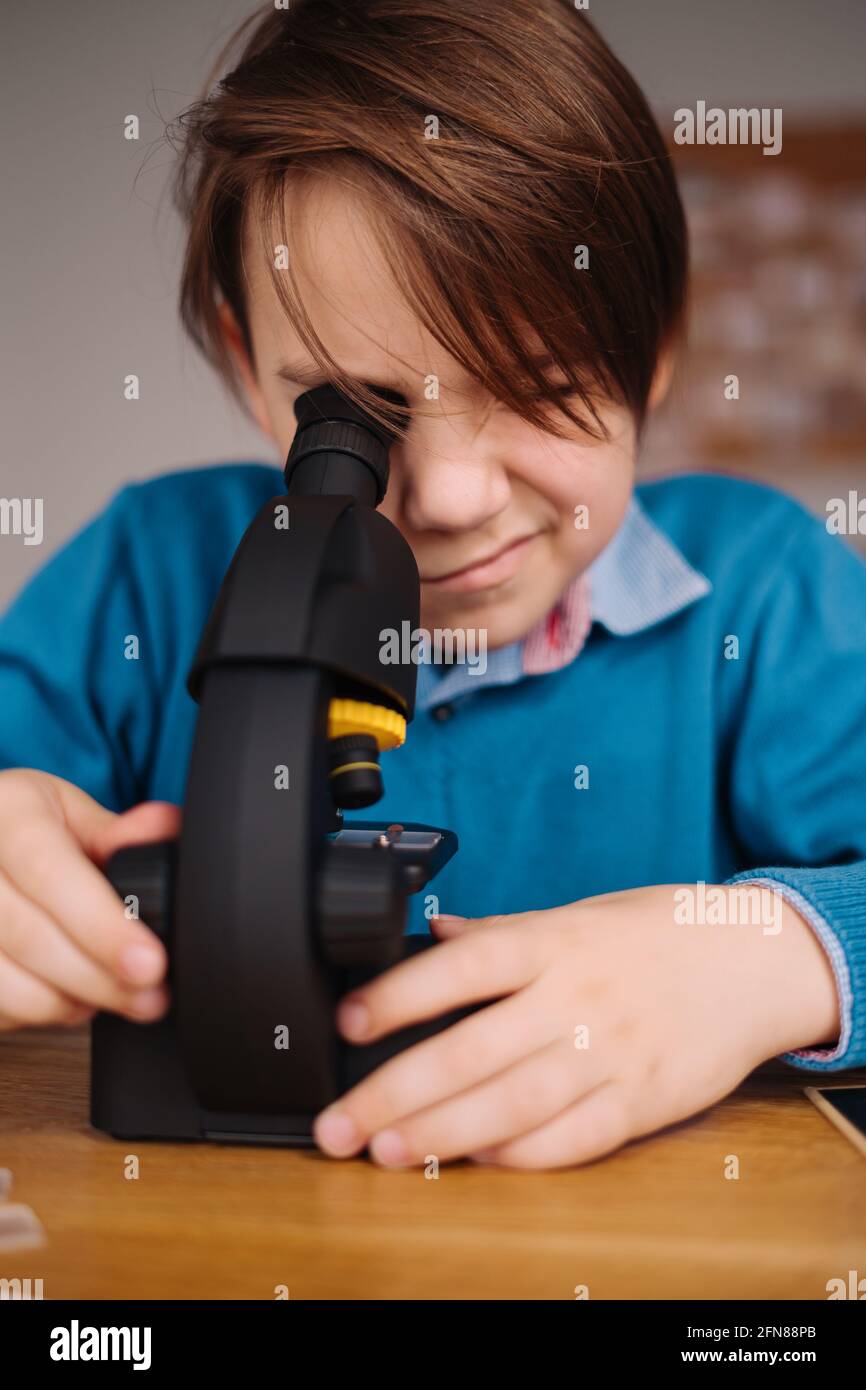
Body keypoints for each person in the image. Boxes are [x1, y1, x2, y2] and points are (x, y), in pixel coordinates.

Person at [1, 0, 864, 1170]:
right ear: (249, 366)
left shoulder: (764, 597)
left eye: (536, 384)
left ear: (650, 352)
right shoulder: (145, 574)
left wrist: (778, 954)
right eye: (351, 418)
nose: (450, 496)